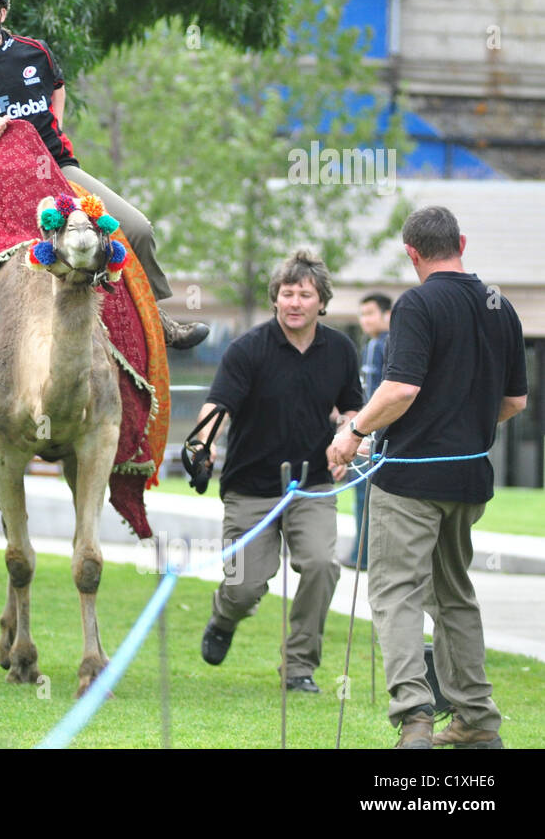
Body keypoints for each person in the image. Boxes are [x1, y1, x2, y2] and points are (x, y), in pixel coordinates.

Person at [0, 0, 208, 364]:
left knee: (137, 229)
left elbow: (58, 88)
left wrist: (51, 131)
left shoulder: (37, 51)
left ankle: (159, 320)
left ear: (2, 12)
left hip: (55, 170)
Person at [328, 207, 527, 749]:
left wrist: (353, 433)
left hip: (410, 479)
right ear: (461, 241)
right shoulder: (500, 306)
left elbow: (400, 390)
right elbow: (514, 401)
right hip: (469, 480)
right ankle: (478, 722)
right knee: (454, 596)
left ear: (411, 252)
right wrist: (464, 426)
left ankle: (415, 718)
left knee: (395, 593)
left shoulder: (417, 303)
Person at [195, 249, 362, 693]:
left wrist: (348, 437)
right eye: (286, 293)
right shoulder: (247, 349)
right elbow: (218, 406)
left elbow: (351, 409)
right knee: (244, 588)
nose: (294, 302)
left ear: (320, 302)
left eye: (304, 294)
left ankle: (299, 667)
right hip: (250, 488)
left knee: (322, 565)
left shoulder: (341, 350)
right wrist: (200, 445)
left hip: (312, 487)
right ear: (275, 299)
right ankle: (224, 616)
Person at [342, 291, 391, 569]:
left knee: (364, 494)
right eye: (362, 314)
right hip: (384, 436)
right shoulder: (390, 344)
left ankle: (361, 556)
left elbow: (372, 395)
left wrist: (359, 430)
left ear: (387, 315)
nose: (365, 320)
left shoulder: (376, 346)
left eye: (371, 313)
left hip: (370, 436)